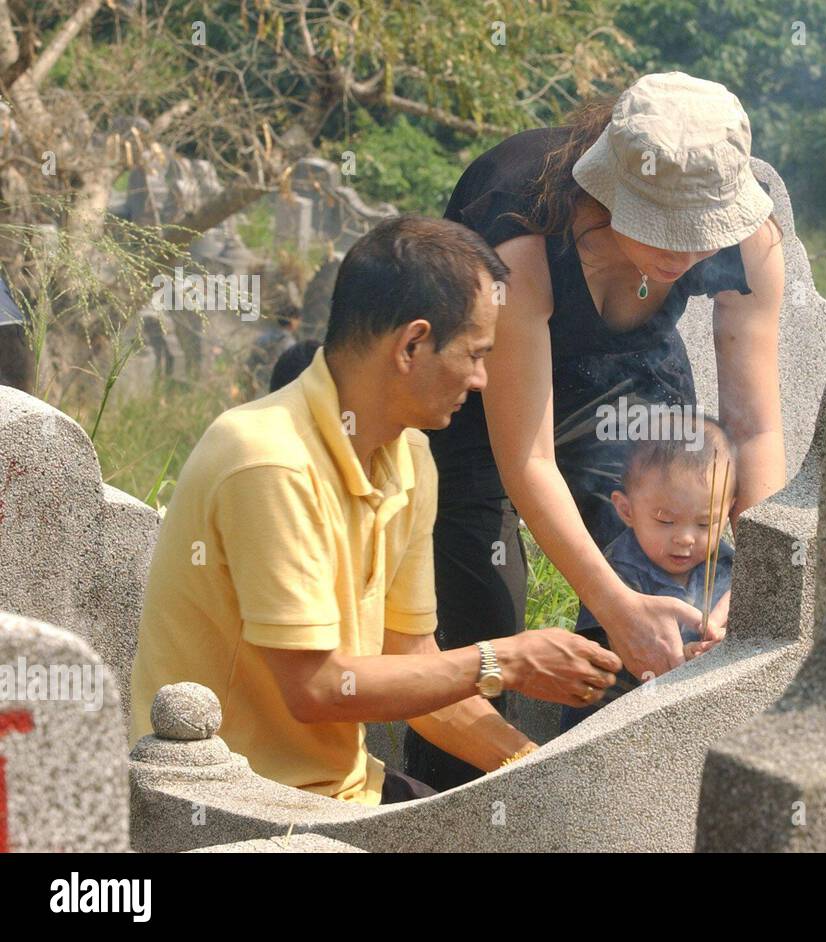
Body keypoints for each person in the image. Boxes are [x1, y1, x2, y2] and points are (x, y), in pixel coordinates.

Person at [129, 215, 621, 805]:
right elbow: (319, 688)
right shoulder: (268, 460)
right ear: (412, 344)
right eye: (475, 353)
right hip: (239, 806)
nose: (483, 378)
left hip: (345, 792)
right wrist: (506, 659)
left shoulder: (409, 456)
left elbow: (410, 660)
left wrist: (535, 775)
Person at [411, 71, 787, 789]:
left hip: (627, 370)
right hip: (481, 380)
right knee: (482, 598)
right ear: (610, 189)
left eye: (699, 235)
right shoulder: (521, 238)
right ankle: (446, 804)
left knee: (677, 565)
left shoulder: (751, 242)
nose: (683, 256)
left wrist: (760, 574)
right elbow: (526, 459)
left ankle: (614, 791)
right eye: (661, 229)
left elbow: (755, 424)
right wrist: (616, 607)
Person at [562, 417, 736, 730]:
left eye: (704, 523)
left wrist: (722, 643)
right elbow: (616, 650)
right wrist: (681, 656)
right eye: (666, 521)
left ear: (728, 512)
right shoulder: (616, 572)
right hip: (611, 724)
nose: (685, 538)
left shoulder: (727, 565)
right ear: (626, 510)